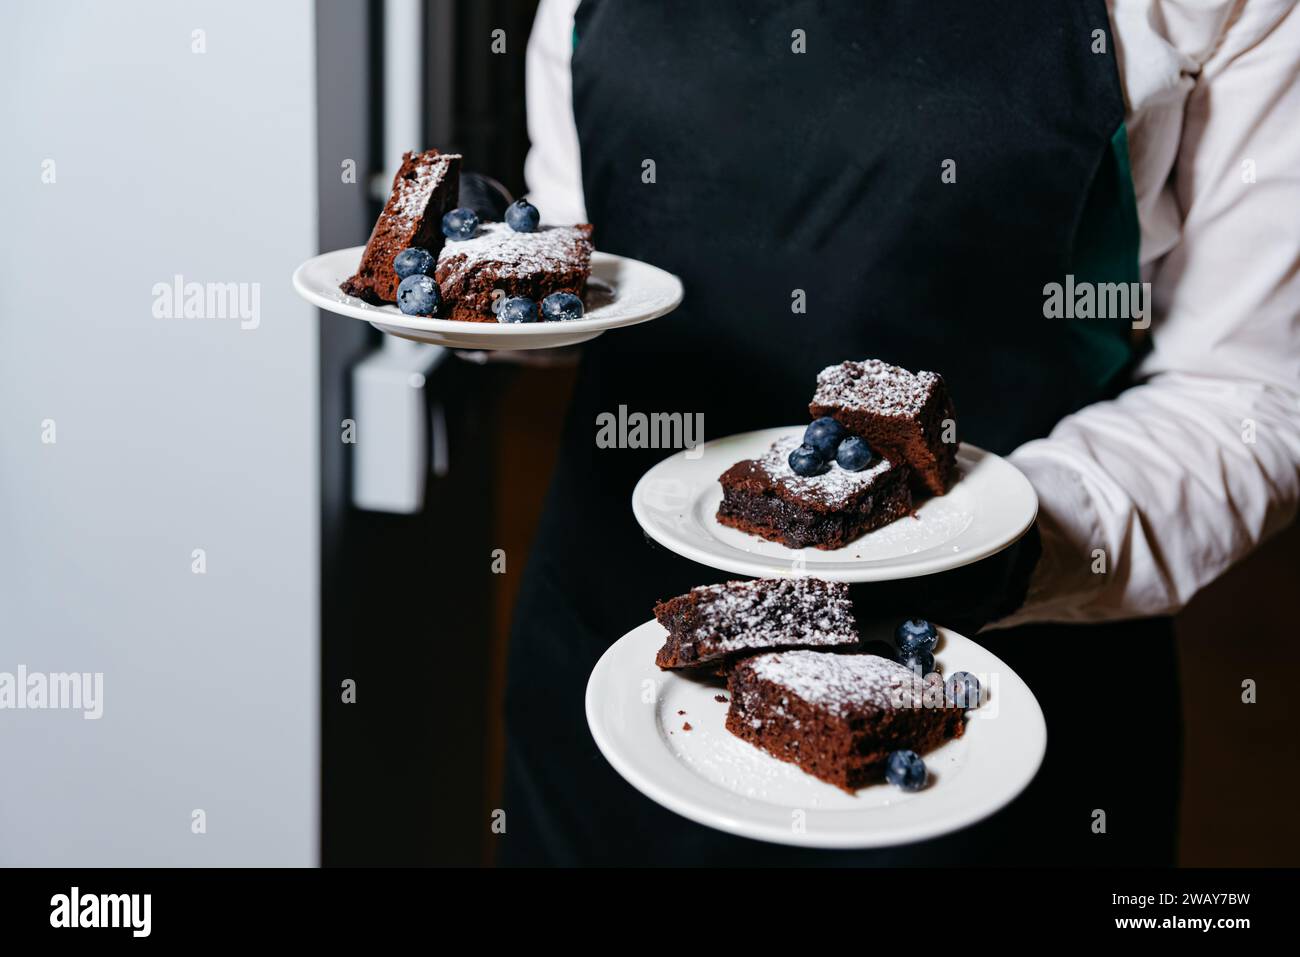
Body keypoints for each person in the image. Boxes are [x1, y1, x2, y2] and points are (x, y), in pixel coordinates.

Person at [500, 0, 1300, 866]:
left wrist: (1010, 552)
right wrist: (484, 289)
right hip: (618, 664)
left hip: (987, 704)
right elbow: (590, 243)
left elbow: (1249, 387)